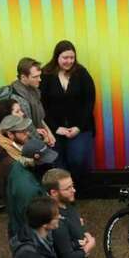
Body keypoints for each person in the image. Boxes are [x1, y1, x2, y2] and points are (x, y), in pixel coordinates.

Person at [41, 40, 97, 186]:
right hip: (54, 128)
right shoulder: (46, 74)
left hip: (80, 127)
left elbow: (89, 102)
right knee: (56, 162)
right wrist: (55, 128)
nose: (69, 61)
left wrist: (78, 127)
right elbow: (42, 105)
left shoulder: (81, 73)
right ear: (57, 57)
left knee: (77, 159)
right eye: (65, 58)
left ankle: (75, 187)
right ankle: (62, 191)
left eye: (71, 57)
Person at [1, 115, 56, 238]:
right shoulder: (29, 189)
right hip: (29, 238)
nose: (28, 133)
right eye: (22, 131)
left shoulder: (18, 165)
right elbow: (32, 222)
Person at [1, 57, 55, 146]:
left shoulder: (33, 90)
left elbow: (39, 119)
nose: (40, 79)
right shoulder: (19, 100)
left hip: (40, 134)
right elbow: (28, 128)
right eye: (35, 77)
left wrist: (49, 133)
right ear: (23, 77)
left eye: (39, 75)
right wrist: (44, 141)